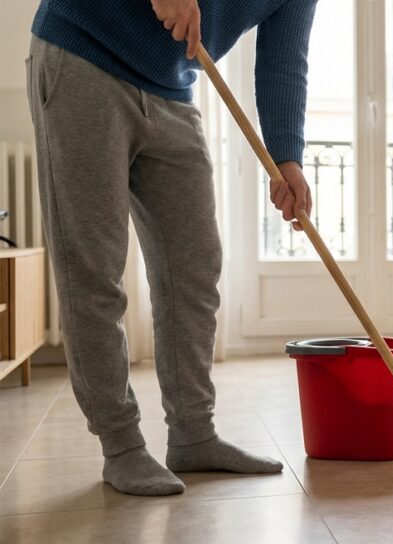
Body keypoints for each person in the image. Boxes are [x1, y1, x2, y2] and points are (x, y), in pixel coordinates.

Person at [26, 0, 317, 496]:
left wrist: (287, 156)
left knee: (195, 267)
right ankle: (121, 447)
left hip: (171, 88)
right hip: (83, 54)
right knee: (93, 270)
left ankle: (193, 434)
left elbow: (283, 60)